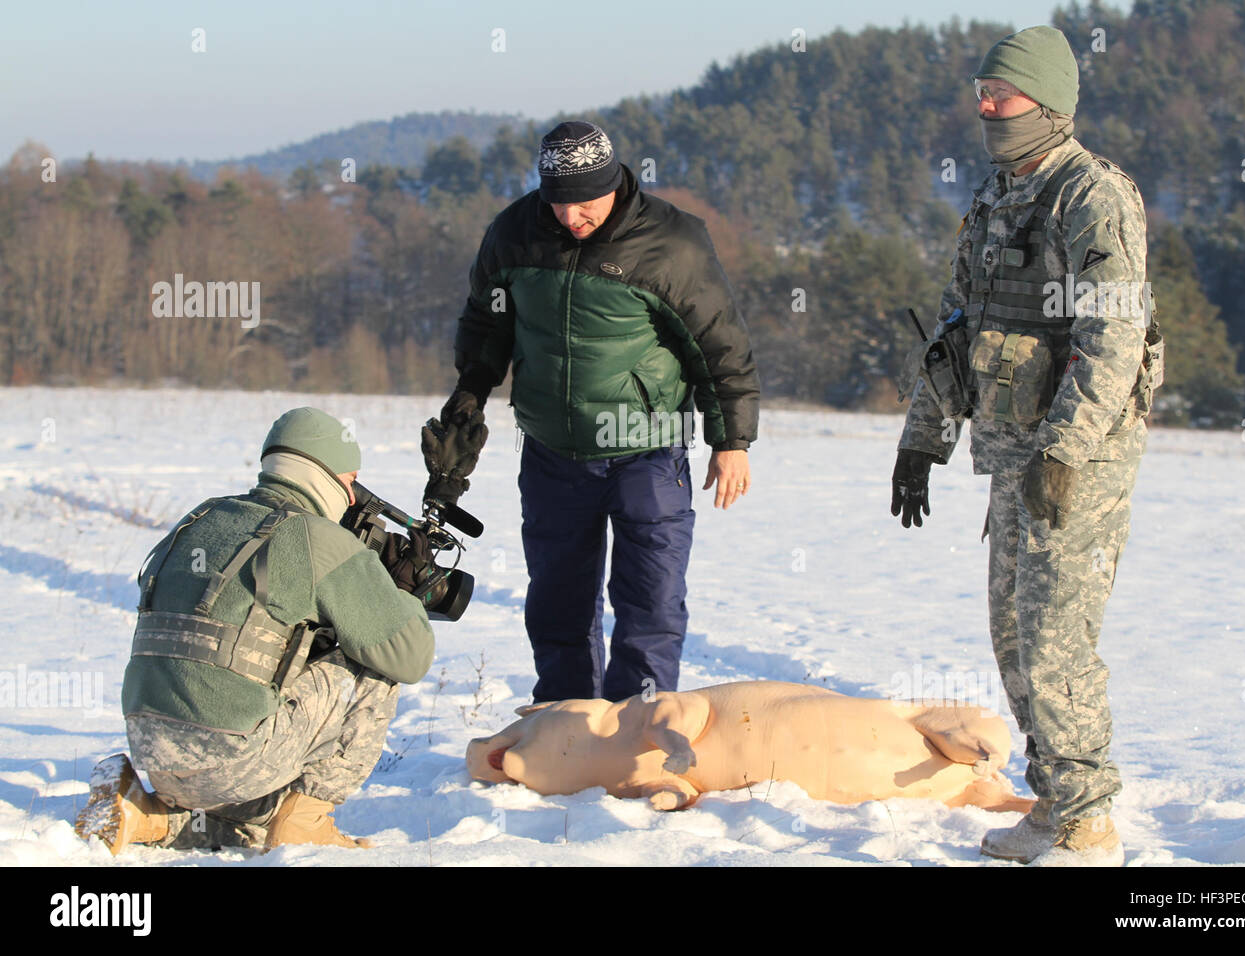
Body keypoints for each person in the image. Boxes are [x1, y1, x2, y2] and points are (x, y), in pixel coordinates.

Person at [892, 26, 1161, 866]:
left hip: (1076, 463)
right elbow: (955, 325)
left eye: (998, 93)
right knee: (1013, 636)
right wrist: (922, 440)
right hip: (1013, 454)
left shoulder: (1093, 196)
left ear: (1045, 103)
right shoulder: (998, 193)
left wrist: (1065, 450)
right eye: (981, 89)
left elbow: (1112, 337)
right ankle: (1055, 803)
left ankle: (1089, 821)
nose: (984, 105)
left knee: (1055, 641)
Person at [426, 121, 759, 704]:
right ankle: (566, 720)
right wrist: (470, 391)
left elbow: (719, 344)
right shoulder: (514, 233)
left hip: (648, 451)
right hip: (554, 454)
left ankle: (639, 728)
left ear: (614, 185)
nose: (569, 217)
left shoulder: (671, 244)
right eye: (557, 203)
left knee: (649, 602)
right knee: (558, 600)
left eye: (584, 204)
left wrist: (731, 440)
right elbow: (486, 321)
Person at [75, 407, 437, 854]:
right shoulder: (317, 537)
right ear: (328, 476)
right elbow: (409, 654)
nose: (350, 495)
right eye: (350, 481)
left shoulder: (202, 517)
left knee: (262, 823)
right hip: (235, 760)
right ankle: (308, 818)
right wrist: (400, 591)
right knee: (375, 661)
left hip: (156, 751)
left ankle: (144, 815)